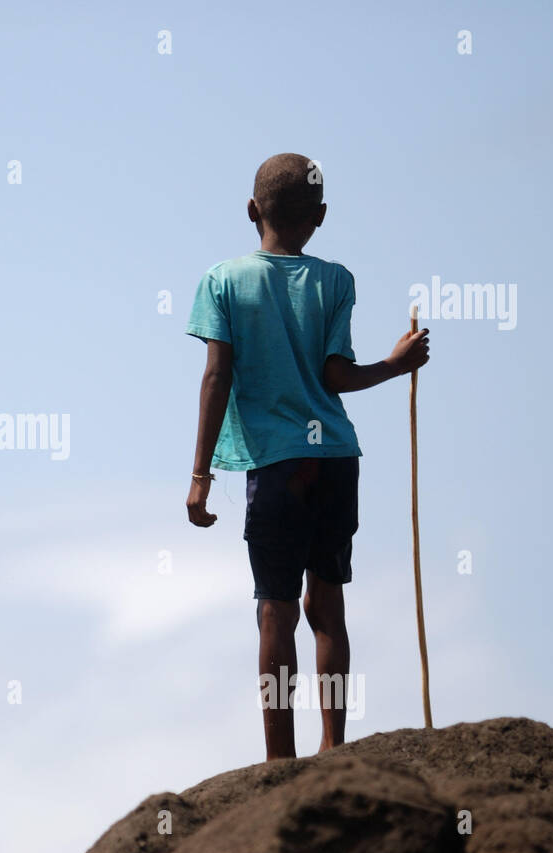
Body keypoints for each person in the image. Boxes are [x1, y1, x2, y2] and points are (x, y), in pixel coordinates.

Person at [184, 153, 430, 760]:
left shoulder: (223, 281)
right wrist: (395, 367)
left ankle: (278, 762)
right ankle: (333, 746)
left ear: (251, 210)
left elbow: (217, 376)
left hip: (275, 467)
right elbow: (336, 376)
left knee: (275, 611)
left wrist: (200, 476)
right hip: (335, 461)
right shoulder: (335, 281)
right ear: (319, 218)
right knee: (327, 605)